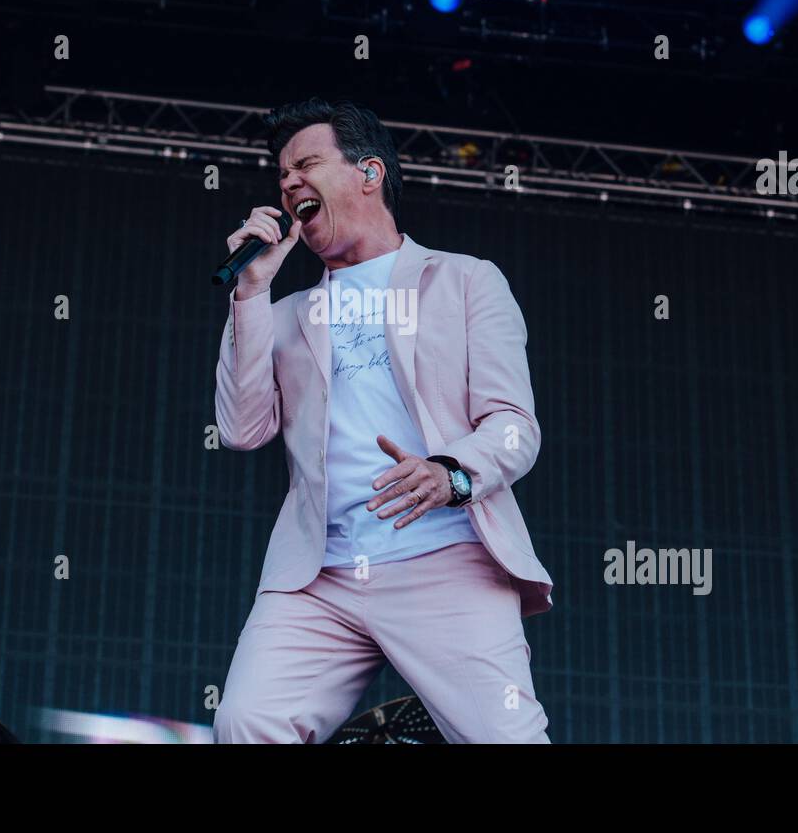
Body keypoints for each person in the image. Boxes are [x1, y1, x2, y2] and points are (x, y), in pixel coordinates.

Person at [212, 98, 553, 743]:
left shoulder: (465, 281)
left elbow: (513, 425)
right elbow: (241, 428)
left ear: (369, 173)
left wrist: (451, 473)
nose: (288, 183)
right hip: (321, 577)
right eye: (281, 174)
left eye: (307, 164)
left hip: (446, 559)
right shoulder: (283, 315)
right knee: (247, 723)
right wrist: (251, 295)